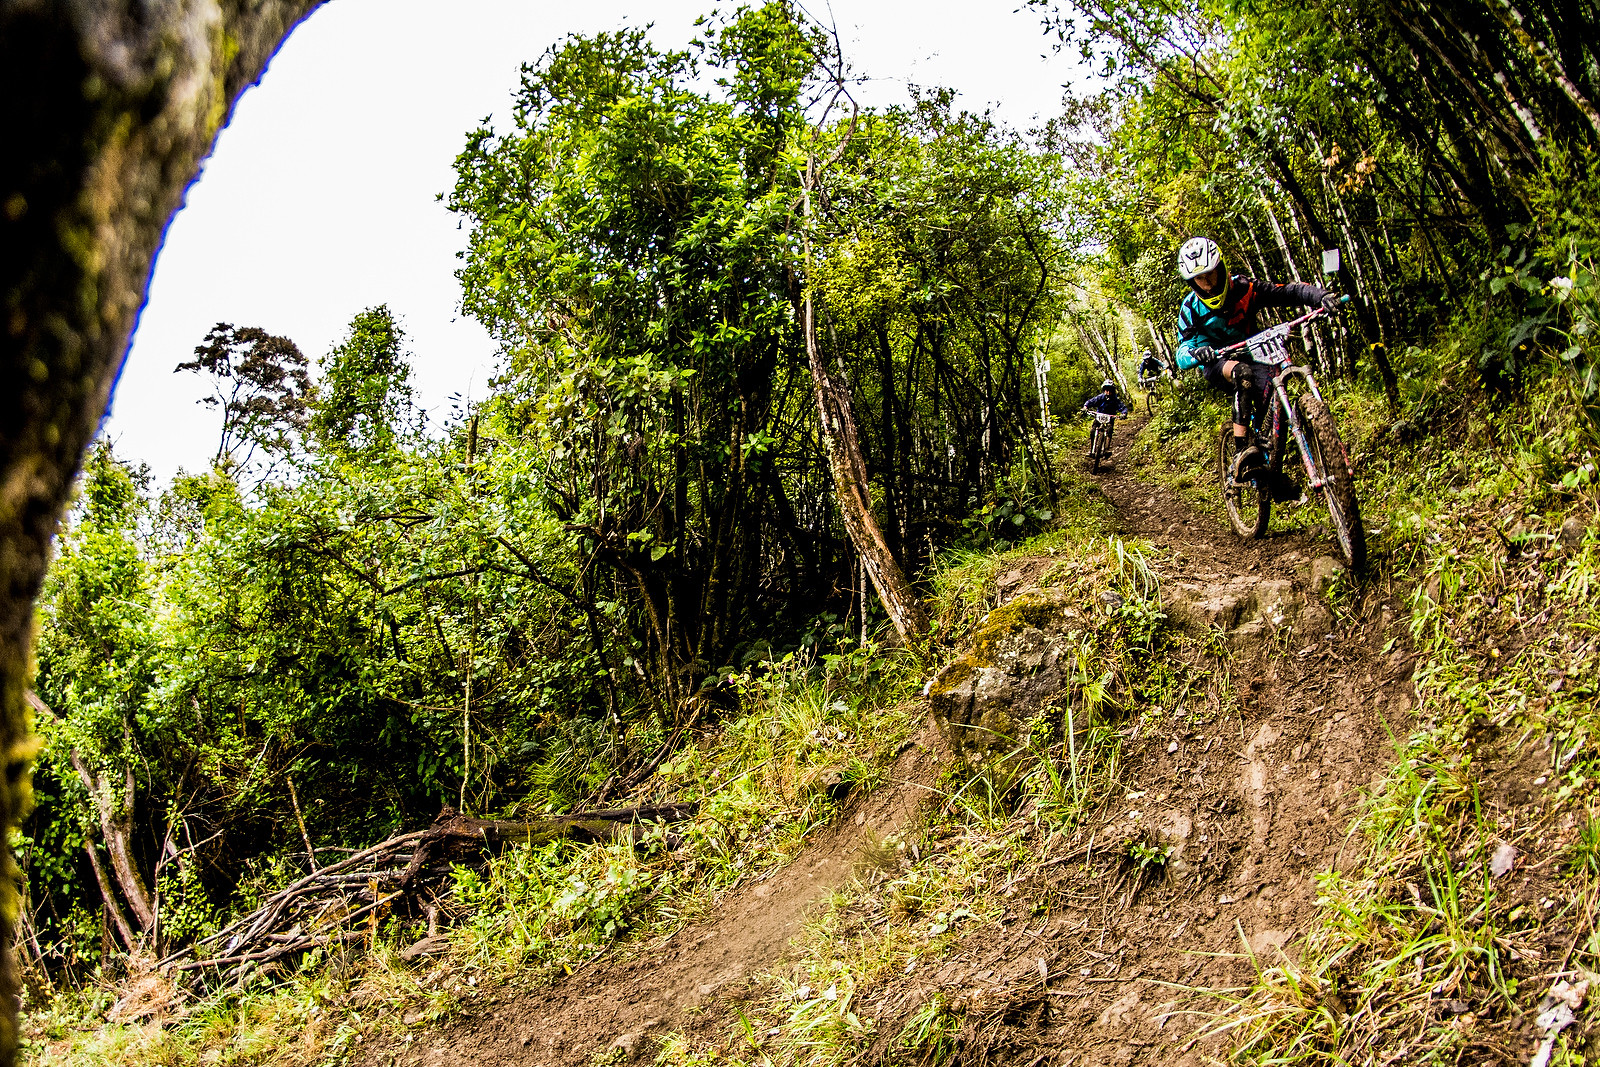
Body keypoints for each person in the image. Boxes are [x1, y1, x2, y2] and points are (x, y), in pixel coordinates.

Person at [1172, 237, 1340, 477]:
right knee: (1243, 373)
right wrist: (1197, 353)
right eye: (1200, 278)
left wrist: (1319, 296)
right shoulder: (1190, 308)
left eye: (1211, 274)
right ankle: (1241, 452)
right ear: (1192, 282)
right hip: (1217, 362)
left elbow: (1287, 292)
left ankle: (1272, 472)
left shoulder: (1244, 287)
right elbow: (1181, 353)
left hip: (1252, 352)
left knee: (1275, 401)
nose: (1208, 283)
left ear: (1221, 268)